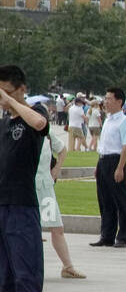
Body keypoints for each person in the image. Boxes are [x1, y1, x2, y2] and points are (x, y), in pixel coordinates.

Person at [0, 66, 53, 292]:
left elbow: (39, 122)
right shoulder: (3, 124)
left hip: (22, 207)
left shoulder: (35, 114)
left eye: (8, 93)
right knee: (5, 277)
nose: (3, 100)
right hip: (1, 206)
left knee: (26, 275)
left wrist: (13, 103)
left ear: (21, 89)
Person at [35, 117, 85, 279]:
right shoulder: (21, 133)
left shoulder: (47, 134)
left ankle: (68, 267)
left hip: (45, 187)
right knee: (29, 230)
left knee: (57, 227)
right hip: (25, 188)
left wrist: (56, 169)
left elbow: (62, 150)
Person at [91, 88, 126, 248]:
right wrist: (98, 165)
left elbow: (125, 146)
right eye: (105, 98)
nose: (105, 102)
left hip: (116, 161)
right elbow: (104, 144)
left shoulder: (123, 120)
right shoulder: (108, 119)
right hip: (103, 161)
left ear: (119, 101)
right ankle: (106, 235)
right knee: (104, 200)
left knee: (120, 201)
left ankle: (123, 236)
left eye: (109, 99)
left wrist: (120, 168)